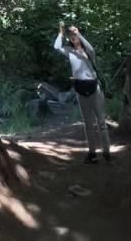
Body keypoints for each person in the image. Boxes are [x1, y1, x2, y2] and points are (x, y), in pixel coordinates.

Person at [54, 24, 111, 164]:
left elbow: (90, 48)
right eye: (71, 37)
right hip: (80, 89)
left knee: (101, 122)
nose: (73, 39)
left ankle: (106, 152)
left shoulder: (88, 52)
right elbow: (56, 47)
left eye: (75, 36)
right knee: (88, 123)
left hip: (94, 88)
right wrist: (61, 34)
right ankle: (92, 153)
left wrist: (78, 33)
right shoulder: (69, 51)